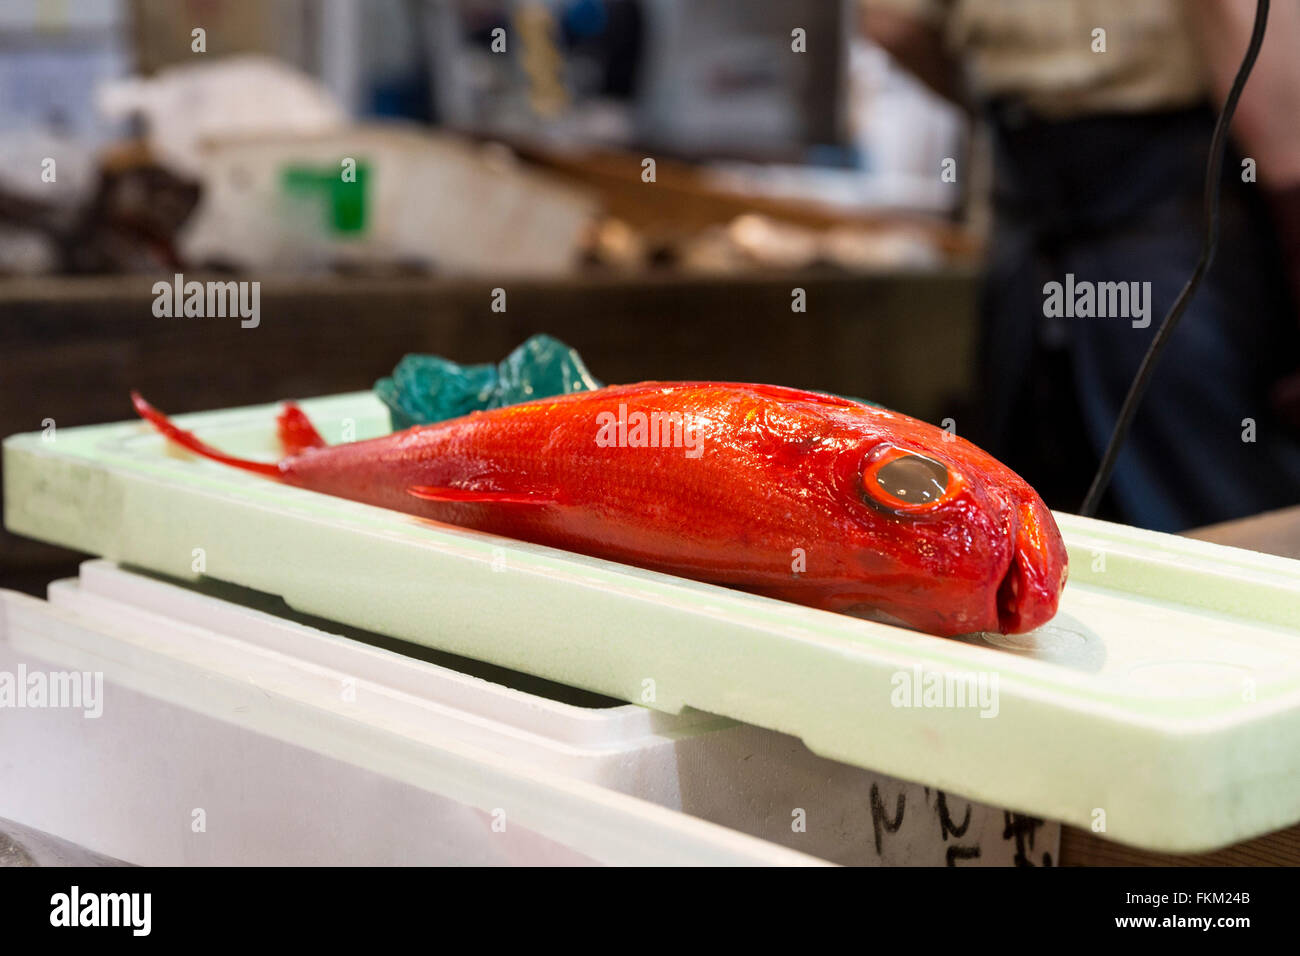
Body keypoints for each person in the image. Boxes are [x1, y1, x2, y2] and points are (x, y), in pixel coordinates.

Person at [863, 0, 1300, 531]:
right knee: (1042, 509)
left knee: (1191, 496)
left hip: (1139, 201)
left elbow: (892, 22)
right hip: (1102, 205)